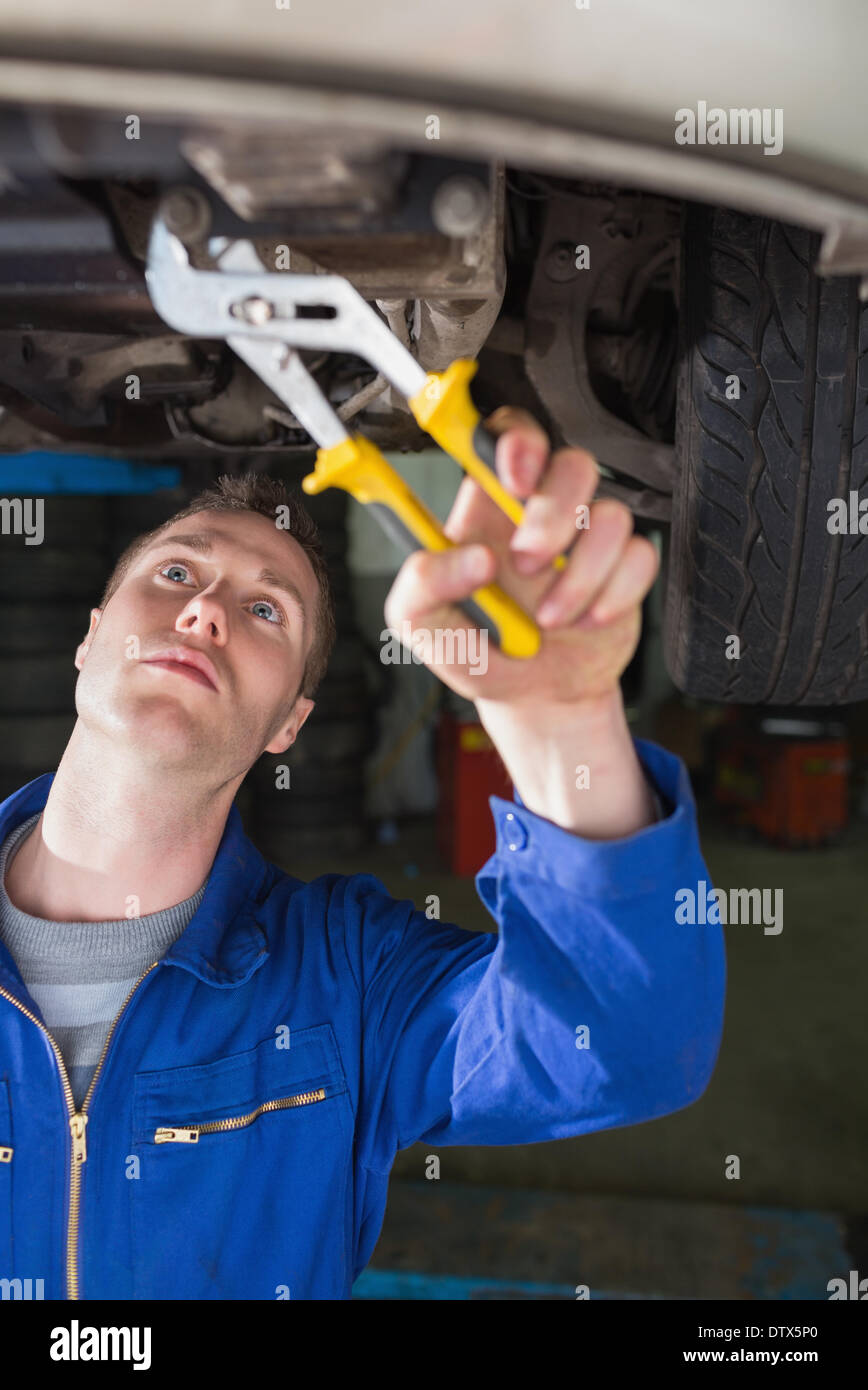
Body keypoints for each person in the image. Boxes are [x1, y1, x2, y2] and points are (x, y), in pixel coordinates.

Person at [0, 410, 725, 1300]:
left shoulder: (346, 981)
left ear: (291, 725)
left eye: (265, 609)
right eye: (177, 571)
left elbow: (629, 1046)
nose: (203, 611)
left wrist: (565, 721)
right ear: (87, 639)